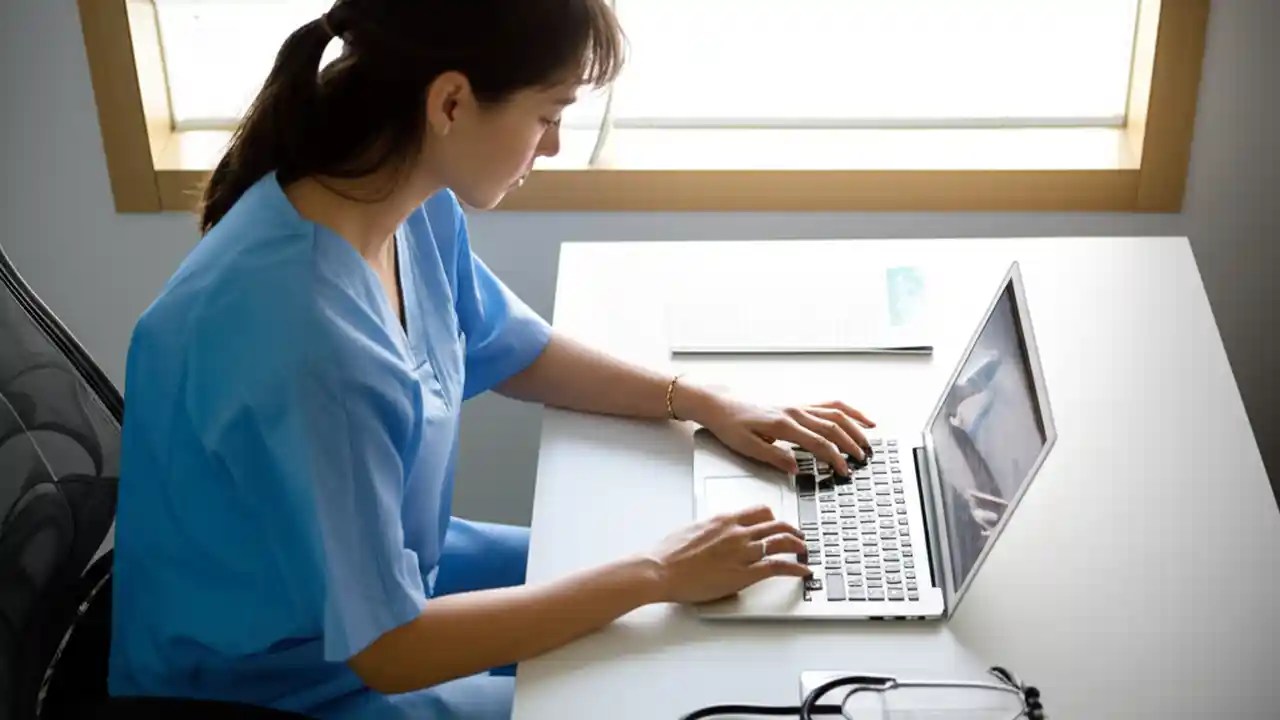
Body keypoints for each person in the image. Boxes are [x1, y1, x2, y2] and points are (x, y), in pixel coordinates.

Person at [108, 1, 877, 718]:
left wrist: (698, 398)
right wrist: (656, 574)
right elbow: (391, 650)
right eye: (548, 115)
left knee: (673, 574)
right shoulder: (311, 340)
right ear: (450, 102)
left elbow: (508, 347)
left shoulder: (399, 199)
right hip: (277, 681)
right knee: (637, 685)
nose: (552, 145)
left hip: (386, 591)